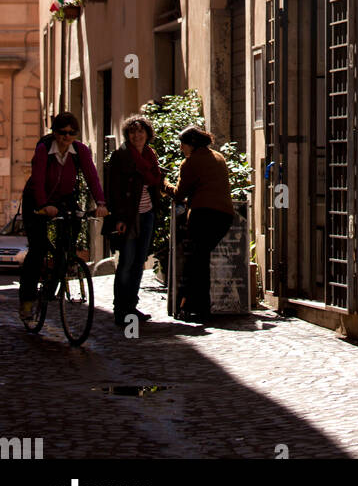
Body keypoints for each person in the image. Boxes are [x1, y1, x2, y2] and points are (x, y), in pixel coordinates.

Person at [19, 112, 108, 319]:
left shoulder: (80, 151)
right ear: (55, 133)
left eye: (71, 133)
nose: (67, 137)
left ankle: (52, 286)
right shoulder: (43, 150)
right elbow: (38, 180)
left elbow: (92, 176)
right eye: (62, 132)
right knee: (38, 249)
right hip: (37, 199)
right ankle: (27, 300)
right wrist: (43, 205)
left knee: (67, 244)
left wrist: (101, 203)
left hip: (64, 198)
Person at [165, 127, 234, 323]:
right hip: (224, 216)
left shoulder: (190, 162)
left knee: (197, 262)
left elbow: (179, 193)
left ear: (190, 144)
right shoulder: (218, 157)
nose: (181, 148)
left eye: (183, 144)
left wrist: (163, 185)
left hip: (203, 216)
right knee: (200, 260)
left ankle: (199, 309)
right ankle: (195, 306)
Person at [104, 114, 164, 327]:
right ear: (127, 135)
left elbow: (154, 182)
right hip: (128, 217)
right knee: (127, 263)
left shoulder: (150, 155)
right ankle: (120, 309)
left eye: (141, 131)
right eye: (132, 131)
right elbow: (114, 189)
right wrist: (118, 218)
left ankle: (131, 306)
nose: (137, 135)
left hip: (147, 214)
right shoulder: (121, 156)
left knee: (139, 263)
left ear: (147, 133)